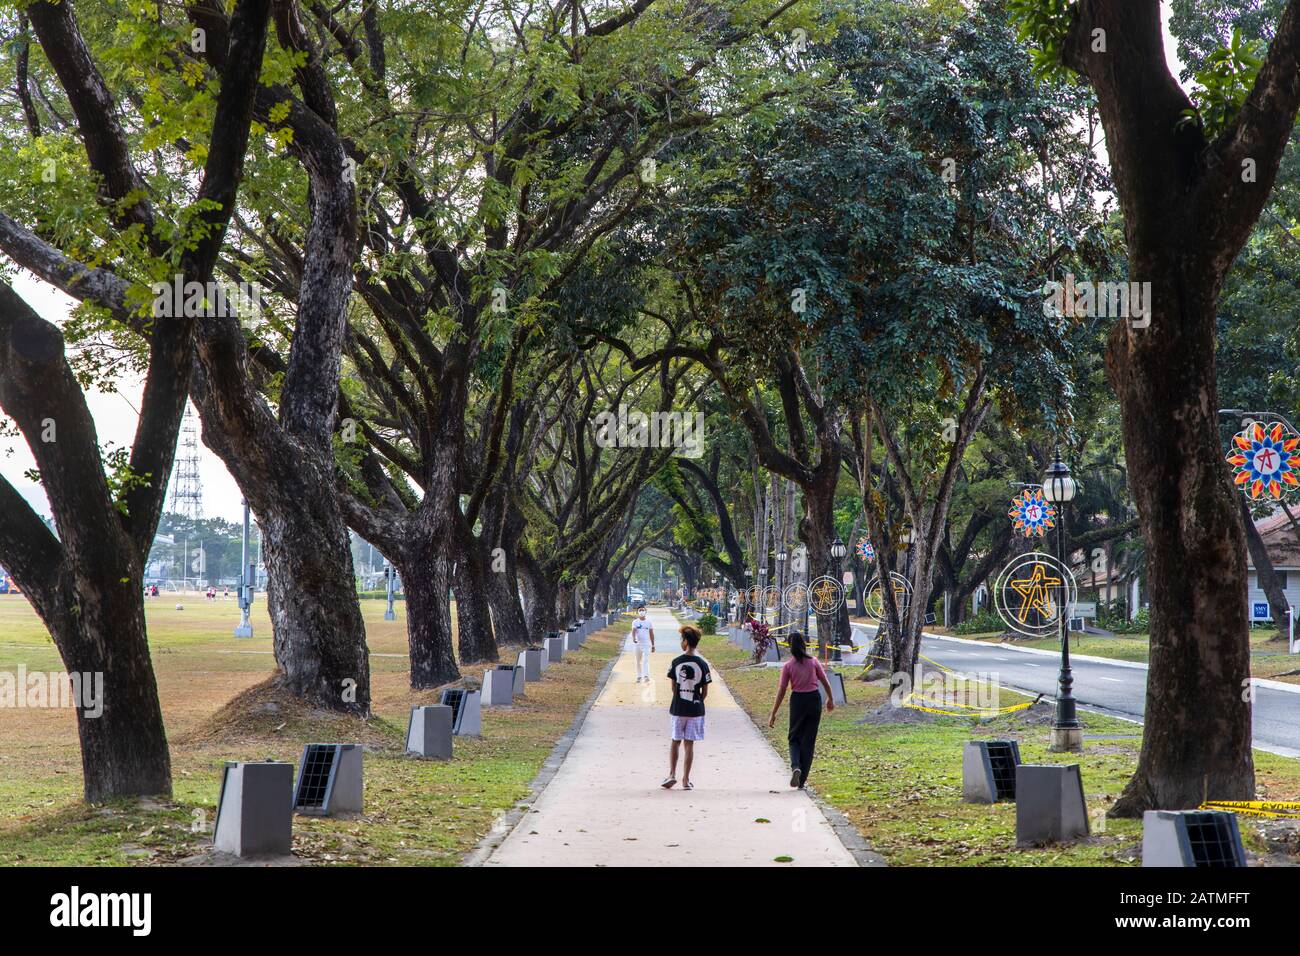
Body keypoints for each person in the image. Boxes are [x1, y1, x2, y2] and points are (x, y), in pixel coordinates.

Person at [767, 632, 834, 789]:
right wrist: (830, 699)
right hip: (814, 700)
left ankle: (795, 766)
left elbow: (782, 691)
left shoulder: (788, 666)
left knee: (794, 738)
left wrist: (773, 713)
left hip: (798, 701)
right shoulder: (814, 662)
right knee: (808, 741)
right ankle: (802, 781)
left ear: (790, 646)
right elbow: (825, 682)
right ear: (804, 644)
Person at [662, 624, 711, 791]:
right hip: (695, 709)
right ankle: (686, 780)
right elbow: (705, 691)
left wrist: (680, 697)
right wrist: (697, 700)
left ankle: (671, 775)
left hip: (678, 708)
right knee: (689, 744)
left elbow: (673, 688)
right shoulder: (703, 664)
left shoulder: (676, 662)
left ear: (685, 642)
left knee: (675, 741)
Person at [629, 605, 655, 683]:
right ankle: (639, 676)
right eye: (640, 610)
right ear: (637, 612)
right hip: (638, 644)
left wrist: (653, 645)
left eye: (643, 610)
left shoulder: (649, 622)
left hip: (646, 644)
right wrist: (633, 638)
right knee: (638, 661)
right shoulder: (635, 622)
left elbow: (651, 633)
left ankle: (646, 675)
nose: (641, 611)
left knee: (645, 660)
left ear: (645, 612)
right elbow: (633, 631)